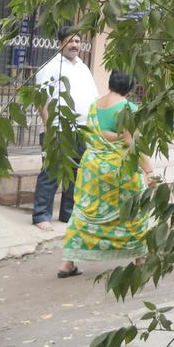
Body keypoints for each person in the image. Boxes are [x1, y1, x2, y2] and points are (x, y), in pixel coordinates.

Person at [57, 71, 157, 278]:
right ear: (130, 87)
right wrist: (148, 170)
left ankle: (67, 263)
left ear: (110, 82)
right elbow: (130, 143)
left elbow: (98, 134)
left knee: (84, 212)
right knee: (133, 212)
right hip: (118, 170)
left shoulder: (95, 104)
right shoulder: (128, 109)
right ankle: (140, 259)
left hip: (92, 168)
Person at [33, 26, 100, 231]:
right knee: (51, 172)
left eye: (78, 41)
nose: (74, 45)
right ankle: (41, 215)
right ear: (59, 43)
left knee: (76, 173)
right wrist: (49, 127)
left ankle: (68, 214)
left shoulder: (83, 67)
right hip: (57, 129)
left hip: (82, 129)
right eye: (70, 41)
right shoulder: (51, 66)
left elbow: (93, 98)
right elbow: (41, 99)